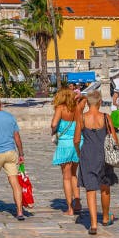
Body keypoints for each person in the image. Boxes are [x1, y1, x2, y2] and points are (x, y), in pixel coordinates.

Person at [74, 90, 119, 235]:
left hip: (87, 155)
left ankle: (93, 225)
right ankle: (105, 218)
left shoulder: (82, 118)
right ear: (99, 102)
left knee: (90, 189)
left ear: (87, 103)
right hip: (104, 155)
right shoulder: (106, 118)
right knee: (105, 186)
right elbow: (115, 139)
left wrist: (80, 152)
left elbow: (76, 140)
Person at [50, 87, 83, 215]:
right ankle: (78, 202)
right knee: (74, 173)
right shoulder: (77, 108)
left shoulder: (61, 109)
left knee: (66, 176)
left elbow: (54, 124)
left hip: (65, 143)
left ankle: (69, 208)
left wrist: (53, 131)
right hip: (78, 142)